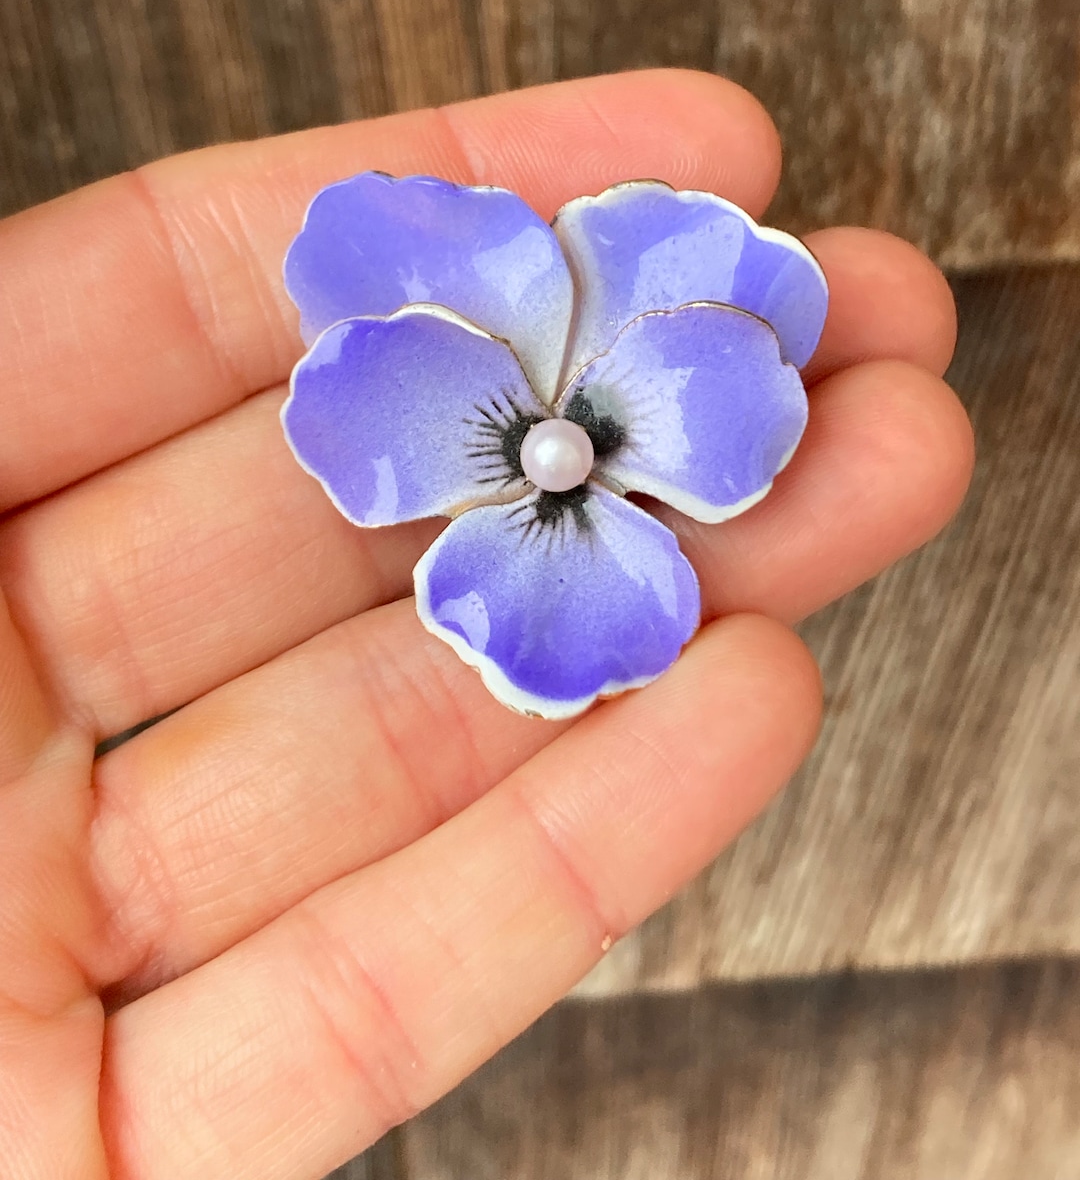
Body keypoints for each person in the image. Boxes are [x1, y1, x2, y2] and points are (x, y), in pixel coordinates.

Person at [0, 69, 973, 1179]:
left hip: (593, 515)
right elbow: (358, 275)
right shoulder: (404, 303)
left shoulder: (682, 324)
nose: (557, 450)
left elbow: (751, 345)